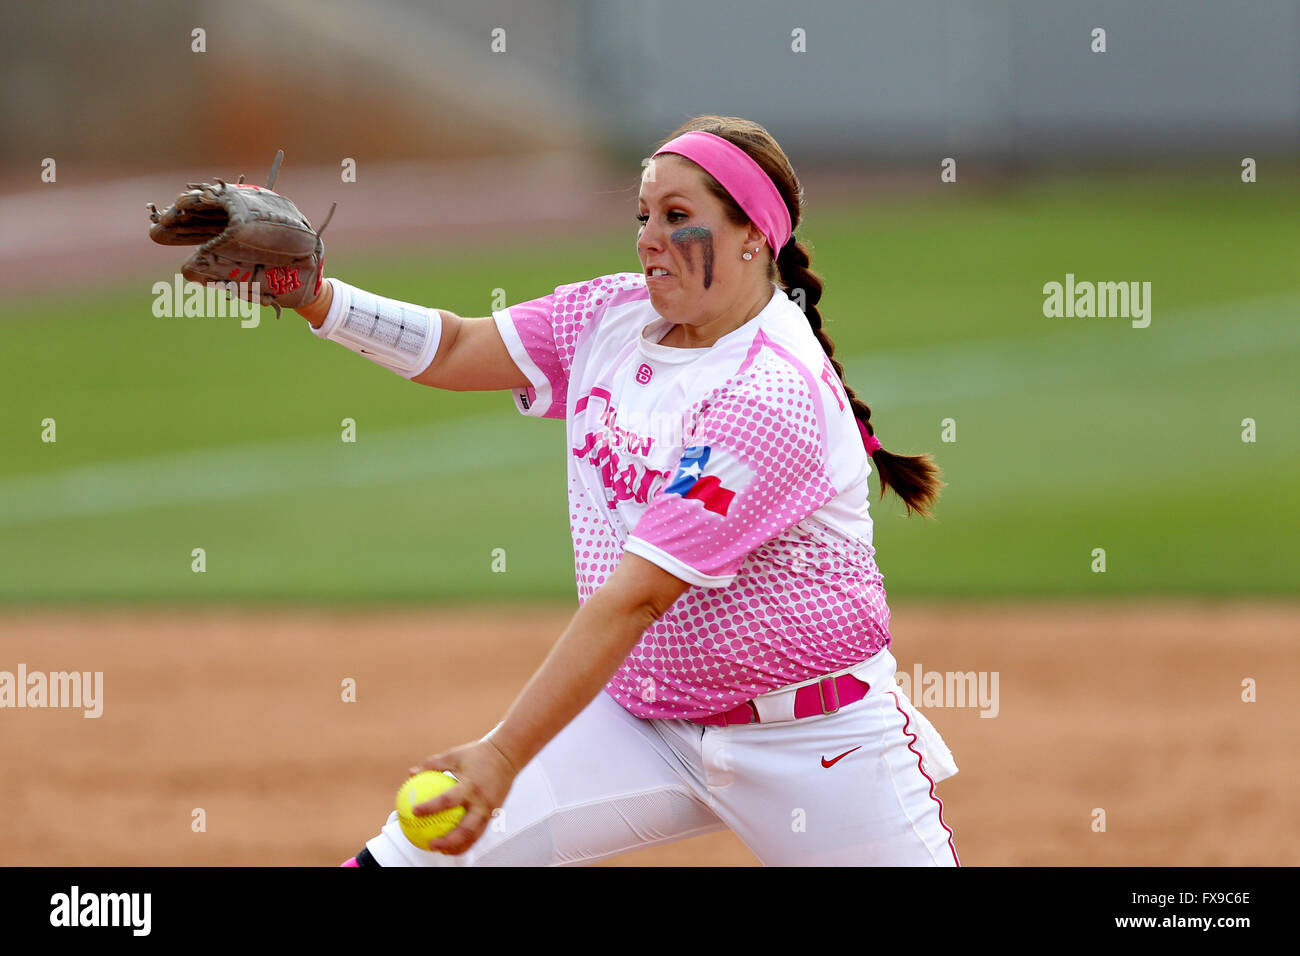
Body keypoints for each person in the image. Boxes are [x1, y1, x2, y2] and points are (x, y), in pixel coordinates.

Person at [307, 115, 958, 867]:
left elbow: (637, 597)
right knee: (418, 857)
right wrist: (314, 298)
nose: (649, 236)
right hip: (644, 724)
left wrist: (504, 753)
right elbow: (453, 346)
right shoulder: (609, 316)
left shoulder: (771, 391)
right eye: (643, 214)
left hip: (815, 746)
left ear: (753, 235)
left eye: (678, 217)